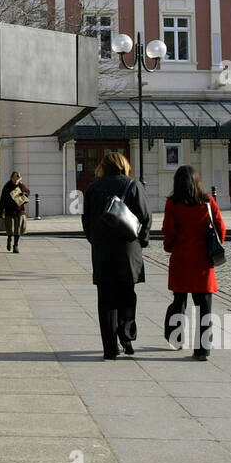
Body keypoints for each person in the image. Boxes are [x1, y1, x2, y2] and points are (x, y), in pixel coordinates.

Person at [80, 152, 151, 360]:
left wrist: (95, 240)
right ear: (124, 165)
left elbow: (87, 220)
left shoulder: (93, 188)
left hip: (103, 251)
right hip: (128, 248)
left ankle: (110, 348)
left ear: (103, 166)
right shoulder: (132, 185)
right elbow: (145, 217)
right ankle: (126, 335)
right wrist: (142, 240)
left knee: (106, 300)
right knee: (127, 294)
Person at [161, 165, 227, 361]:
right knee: (204, 307)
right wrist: (214, 245)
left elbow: (168, 230)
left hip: (181, 259)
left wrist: (169, 245)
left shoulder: (173, 204)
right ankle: (202, 350)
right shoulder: (208, 202)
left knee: (179, 301)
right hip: (203, 262)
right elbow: (220, 228)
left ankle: (176, 337)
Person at [0, 170, 29, 253]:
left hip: (19, 211)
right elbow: (2, 199)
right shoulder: (7, 186)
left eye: (18, 179)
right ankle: (9, 239)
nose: (16, 180)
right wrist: (1, 211)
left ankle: (15, 245)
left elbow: (28, 192)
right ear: (11, 178)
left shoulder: (21, 186)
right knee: (10, 229)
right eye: (15, 178)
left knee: (18, 229)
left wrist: (24, 194)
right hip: (9, 211)